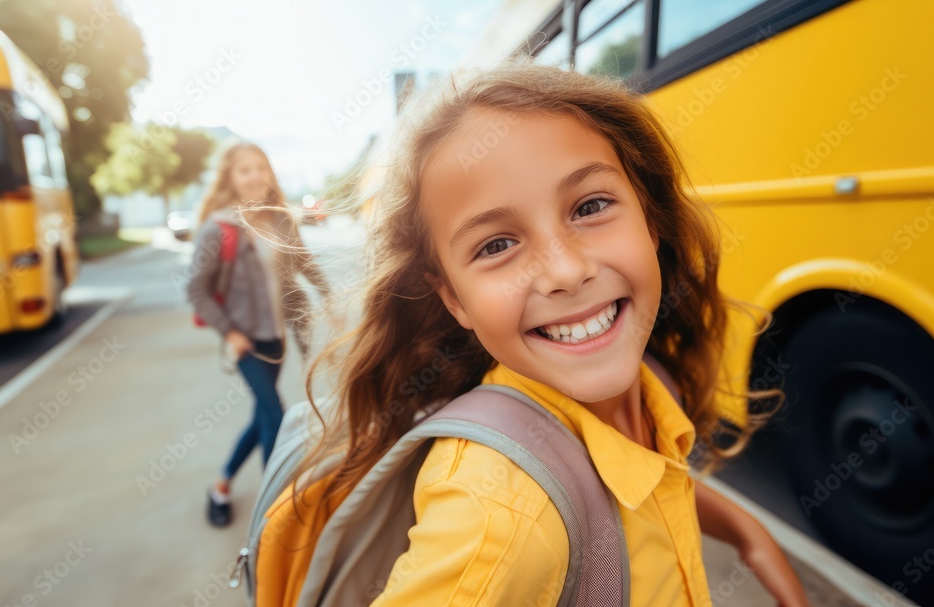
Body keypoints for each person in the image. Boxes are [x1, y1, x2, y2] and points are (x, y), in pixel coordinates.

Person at [291, 63, 809, 605]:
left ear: (650, 219)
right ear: (453, 299)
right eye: (496, 246)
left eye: (590, 206)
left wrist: (748, 532)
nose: (565, 271)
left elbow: (642, 484)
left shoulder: (647, 378)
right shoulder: (495, 514)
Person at [187, 141, 331, 527]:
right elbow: (196, 290)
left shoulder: (281, 219)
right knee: (277, 416)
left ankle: (219, 485)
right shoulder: (219, 228)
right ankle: (273, 514)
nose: (254, 175)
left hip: (275, 337)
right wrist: (229, 333)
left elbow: (303, 262)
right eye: (244, 169)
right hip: (245, 340)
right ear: (230, 178)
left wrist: (329, 296)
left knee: (261, 416)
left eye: (260, 167)